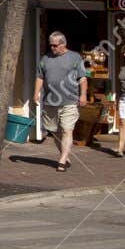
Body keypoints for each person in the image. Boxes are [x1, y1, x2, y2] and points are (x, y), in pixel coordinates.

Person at [35, 31, 88, 173]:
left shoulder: (75, 57)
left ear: (63, 44)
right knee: (54, 131)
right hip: (50, 101)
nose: (52, 48)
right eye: (51, 45)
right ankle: (65, 154)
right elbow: (40, 77)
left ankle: (63, 160)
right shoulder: (45, 58)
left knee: (67, 129)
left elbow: (82, 78)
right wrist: (36, 94)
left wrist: (83, 95)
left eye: (55, 45)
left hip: (70, 100)